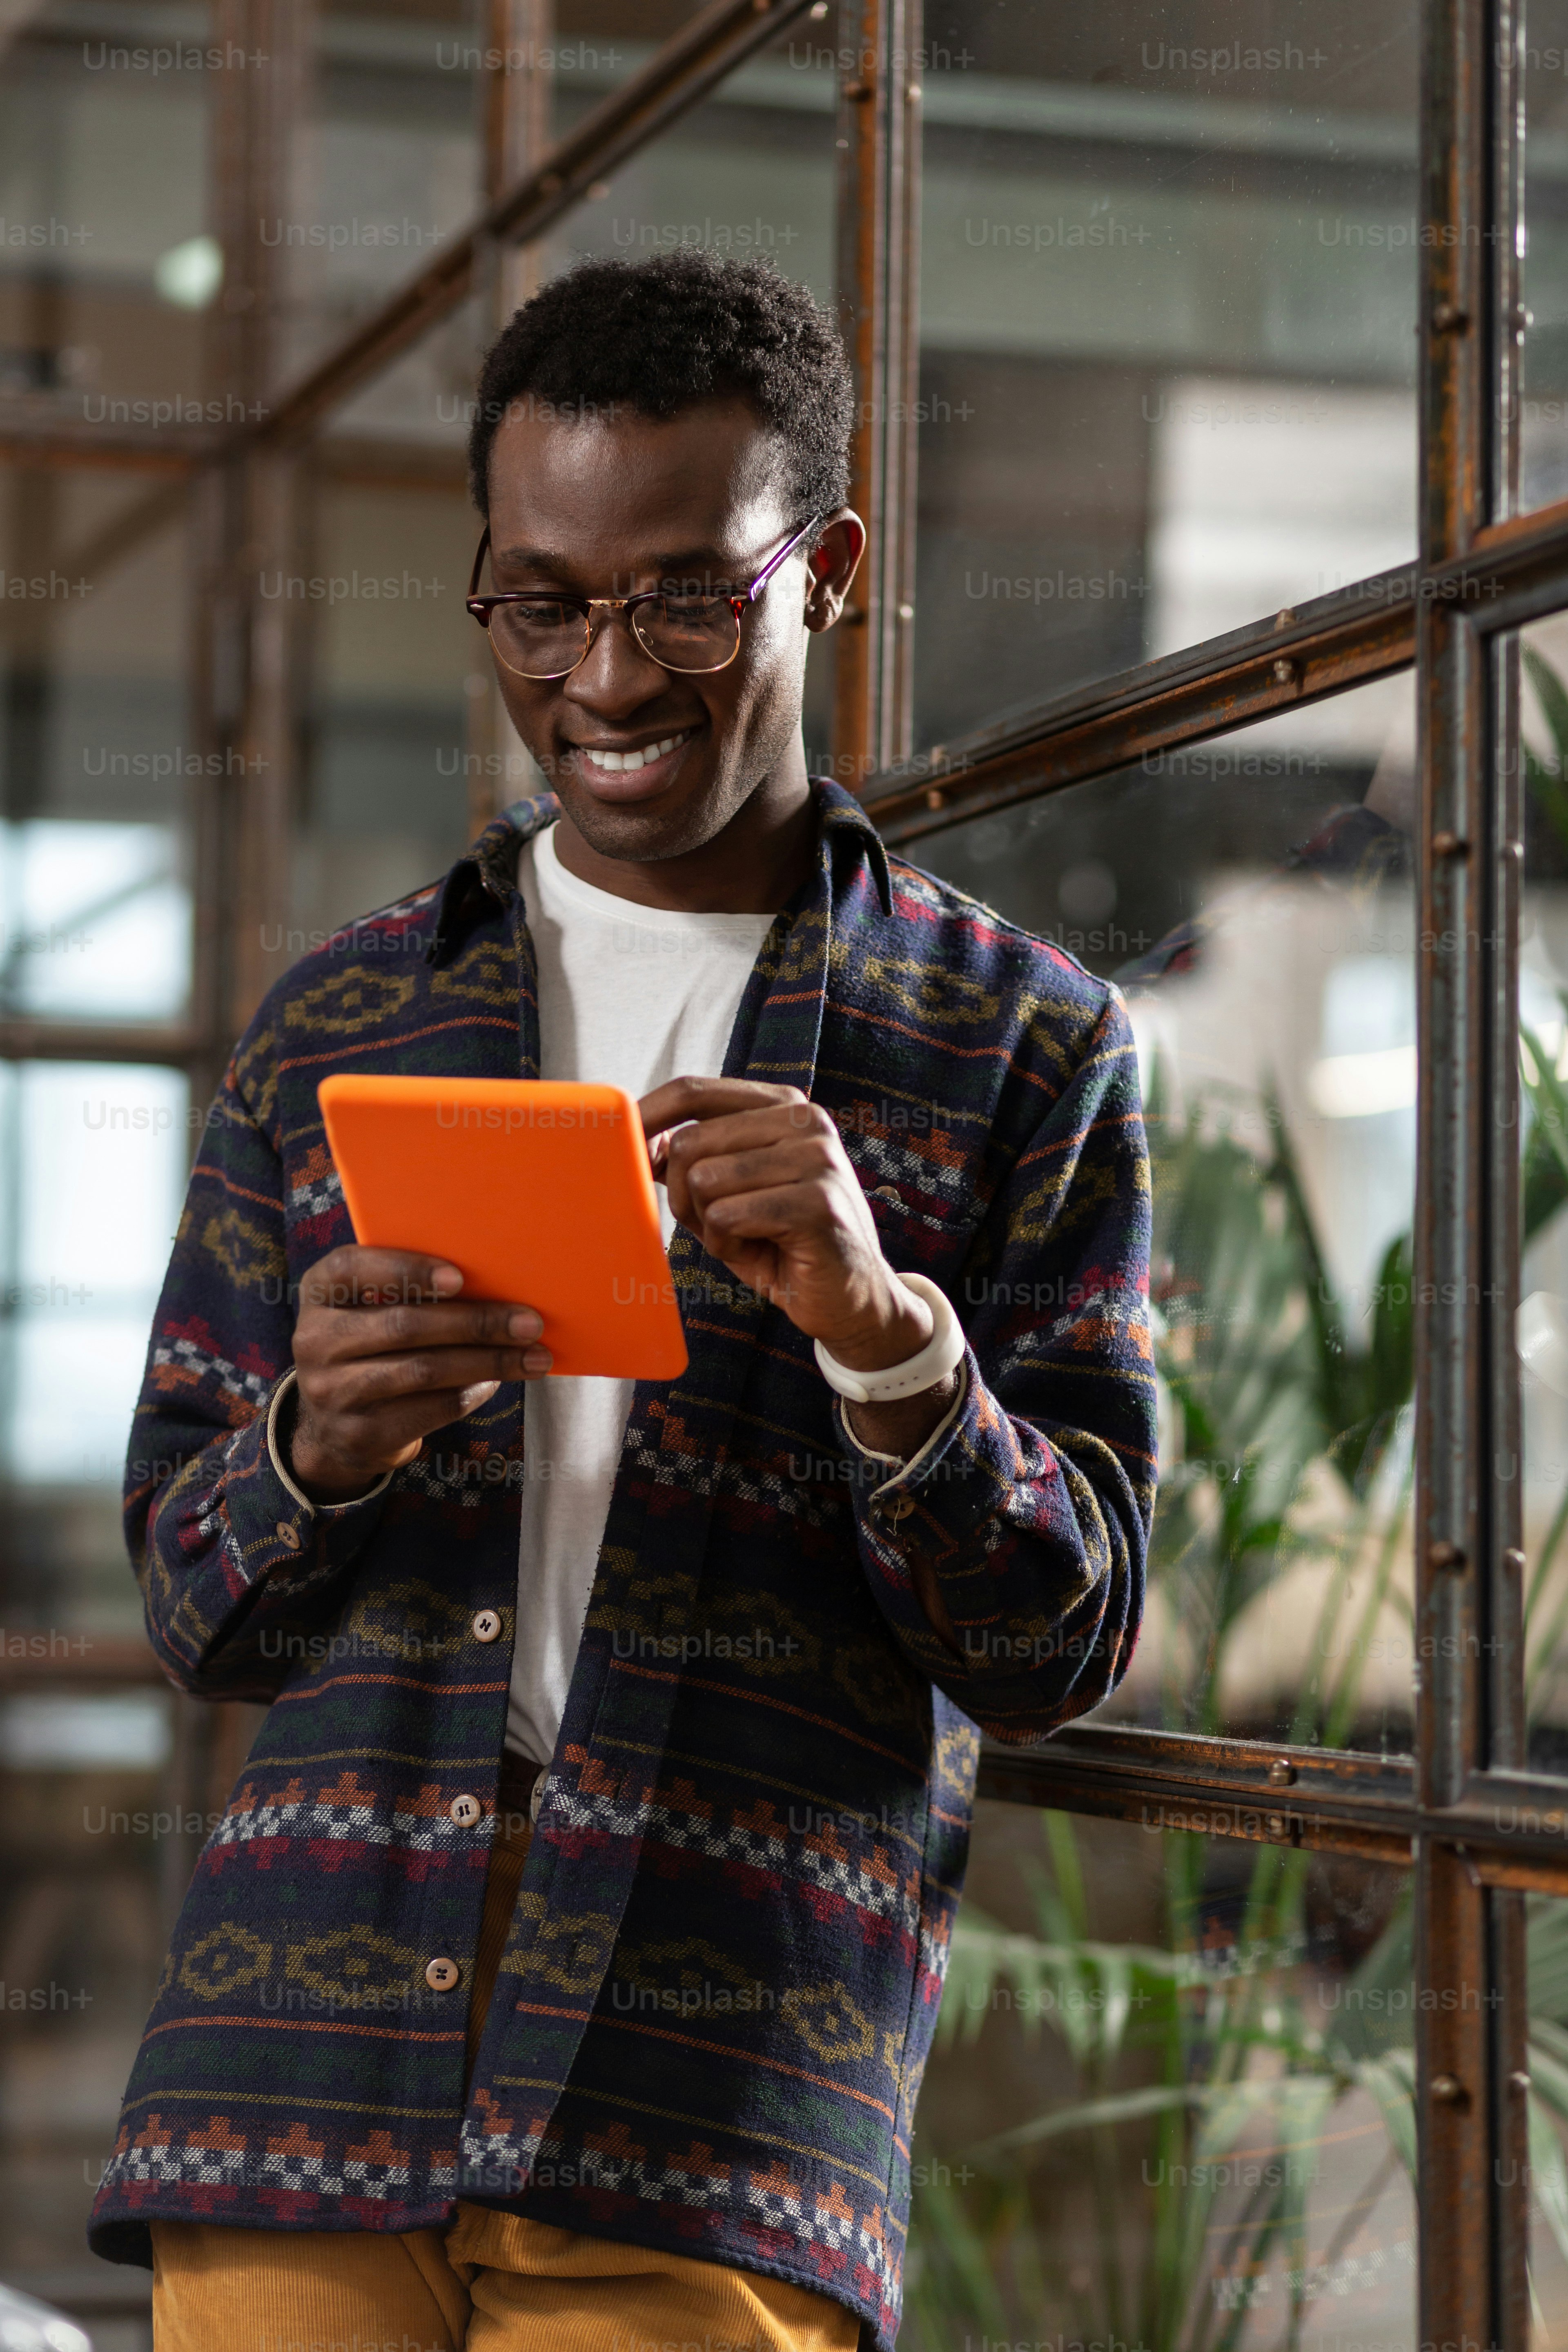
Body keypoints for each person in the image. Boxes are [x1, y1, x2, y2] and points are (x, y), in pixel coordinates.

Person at [89, 251, 1156, 2352]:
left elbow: (1063, 1639)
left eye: (688, 595)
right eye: (541, 601)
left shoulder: (1022, 1041)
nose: (607, 676)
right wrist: (317, 1445)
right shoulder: (340, 1021)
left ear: (826, 567)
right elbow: (195, 1600)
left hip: (716, 2089)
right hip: (299, 2077)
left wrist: (886, 1342)